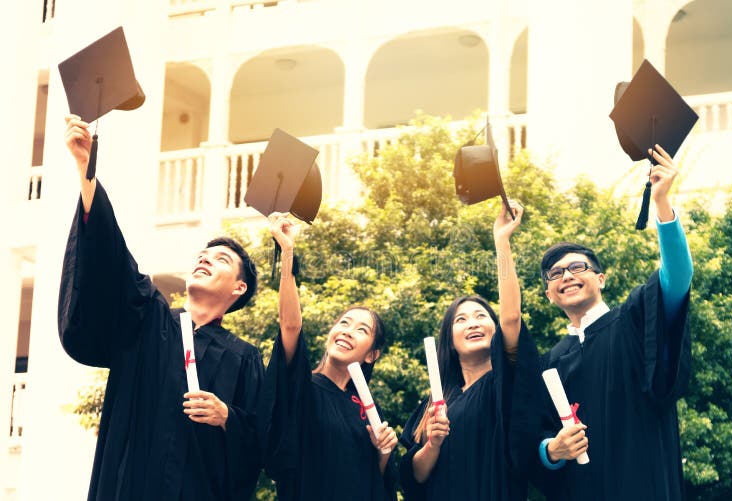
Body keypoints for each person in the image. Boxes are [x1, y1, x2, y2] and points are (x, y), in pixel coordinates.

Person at [58, 115, 267, 500]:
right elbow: (113, 259)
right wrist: (87, 173)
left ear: (240, 288)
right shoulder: (148, 321)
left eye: (220, 259)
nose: (205, 259)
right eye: (203, 254)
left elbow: (263, 443)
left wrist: (227, 418)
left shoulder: (245, 360)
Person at [532, 144, 693, 500]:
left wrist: (662, 204)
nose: (567, 276)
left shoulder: (634, 319)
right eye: (555, 274)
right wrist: (552, 449)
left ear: (600, 279)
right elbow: (535, 439)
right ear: (549, 295)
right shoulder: (551, 362)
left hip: (643, 483)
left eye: (578, 268)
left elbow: (678, 278)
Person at [398, 200, 542, 501]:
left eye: (481, 316)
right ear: (450, 340)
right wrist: (432, 444)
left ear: (495, 328)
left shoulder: (505, 383)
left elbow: (512, 316)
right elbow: (415, 478)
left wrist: (501, 241)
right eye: (461, 320)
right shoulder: (436, 401)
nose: (473, 323)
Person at [262, 211, 399, 500]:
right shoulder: (301, 387)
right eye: (344, 323)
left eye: (362, 330)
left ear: (372, 355)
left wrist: (383, 452)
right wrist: (288, 253)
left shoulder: (370, 410)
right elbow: (290, 325)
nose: (348, 331)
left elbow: (376, 482)